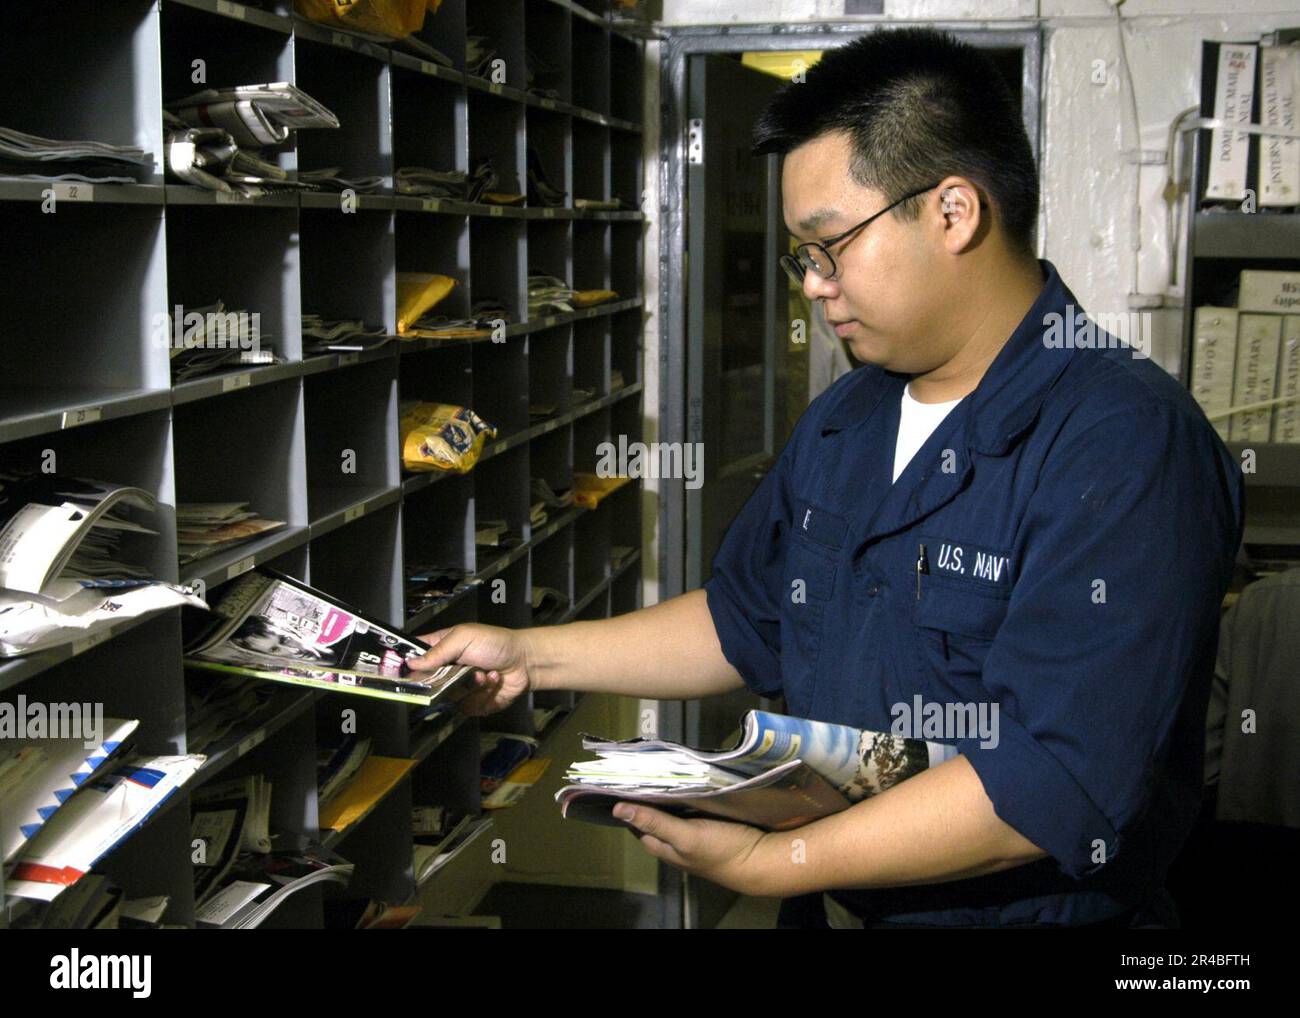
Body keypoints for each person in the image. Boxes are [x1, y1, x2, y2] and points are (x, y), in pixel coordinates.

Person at [408, 27, 1244, 928]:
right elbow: (746, 619)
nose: (811, 286)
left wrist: (777, 862)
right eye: (801, 257)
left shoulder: (1123, 440)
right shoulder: (850, 419)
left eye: (828, 245)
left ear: (954, 212)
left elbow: (1055, 779)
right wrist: (532, 654)